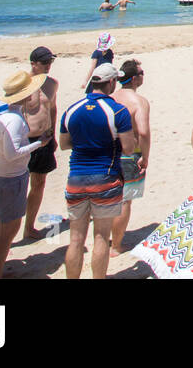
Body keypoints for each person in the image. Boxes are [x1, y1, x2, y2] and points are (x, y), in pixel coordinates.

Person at [58, 63, 137, 279]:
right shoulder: (118, 111)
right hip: (106, 177)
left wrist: (86, 142)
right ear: (111, 83)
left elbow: (64, 144)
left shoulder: (71, 109)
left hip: (76, 178)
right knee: (101, 236)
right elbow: (129, 148)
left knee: (75, 239)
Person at [0, 71, 47, 277]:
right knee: (8, 232)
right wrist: (39, 144)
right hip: (11, 178)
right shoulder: (14, 119)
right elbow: (13, 153)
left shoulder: (0, 115)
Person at [108, 59, 150, 256]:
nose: (144, 76)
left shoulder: (110, 97)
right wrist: (146, 157)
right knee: (124, 201)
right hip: (130, 154)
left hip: (108, 152)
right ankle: (116, 245)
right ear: (135, 79)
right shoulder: (139, 102)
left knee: (108, 199)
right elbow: (143, 131)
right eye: (142, 73)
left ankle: (104, 238)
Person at [22, 47, 60, 242]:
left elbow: (53, 109)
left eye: (50, 62)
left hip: (43, 140)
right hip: (25, 140)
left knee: (39, 184)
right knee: (20, 184)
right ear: (33, 63)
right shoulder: (22, 84)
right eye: (44, 62)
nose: (48, 66)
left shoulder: (52, 84)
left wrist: (53, 136)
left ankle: (29, 226)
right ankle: (15, 224)